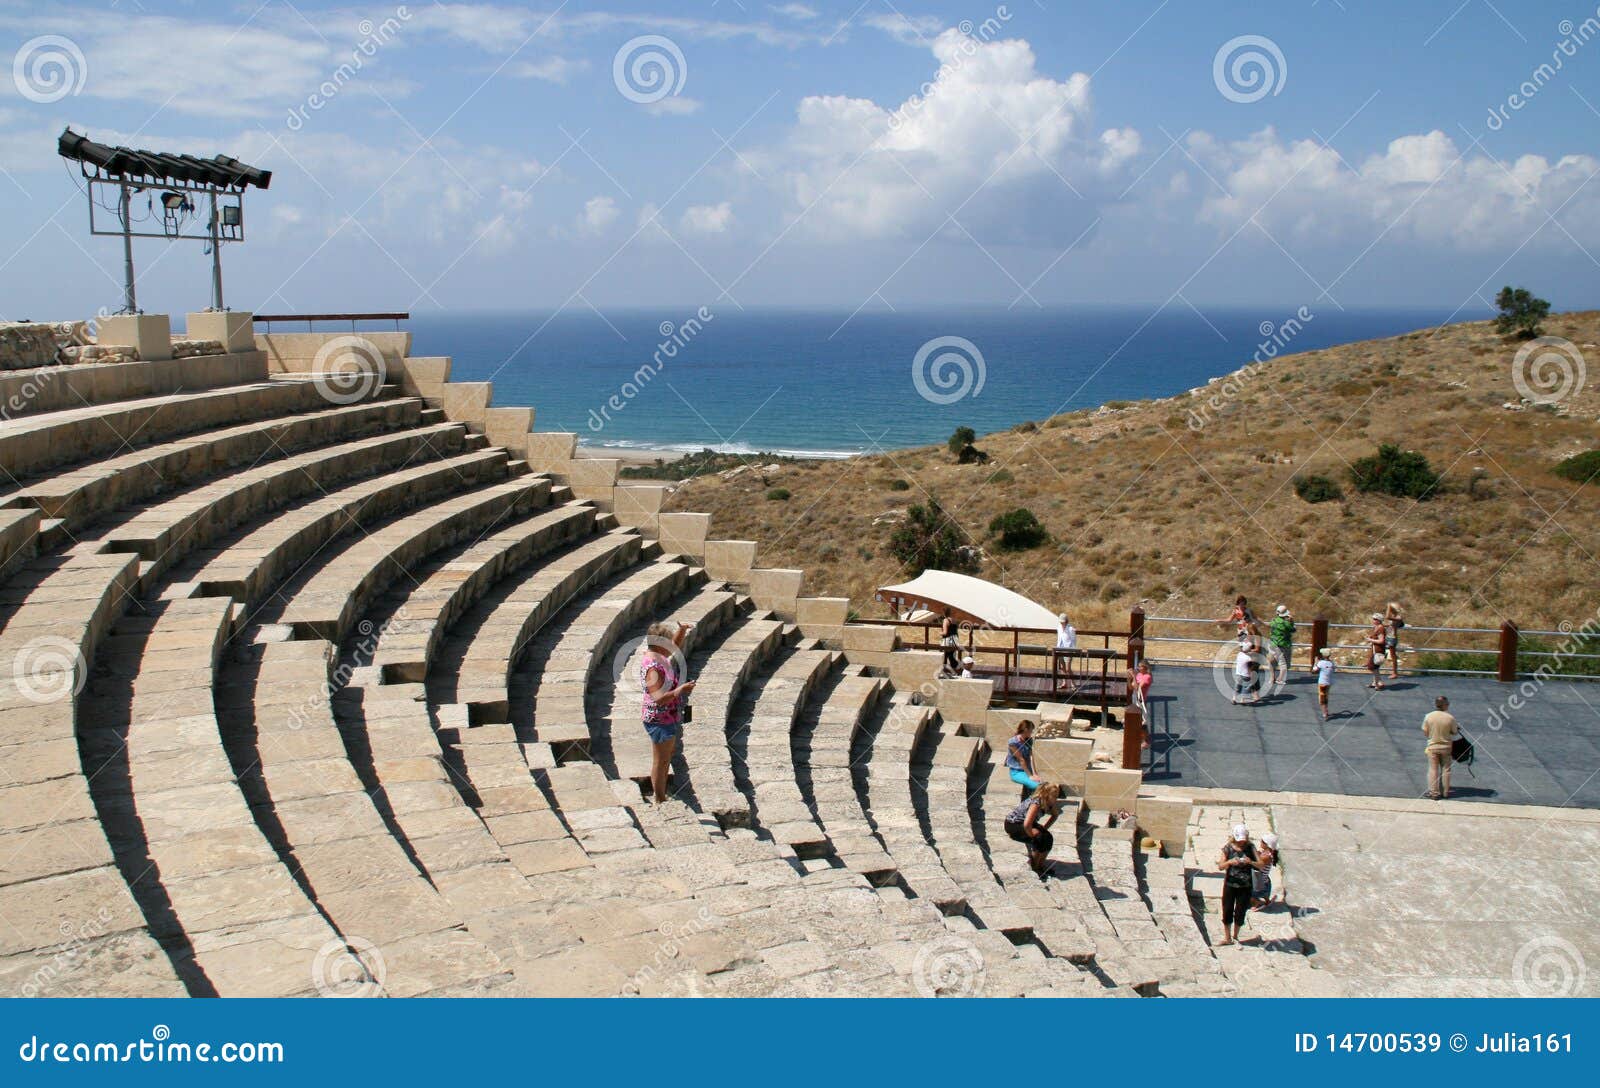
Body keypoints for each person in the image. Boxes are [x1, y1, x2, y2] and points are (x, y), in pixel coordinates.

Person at [641, 621, 696, 805]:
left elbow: (674, 646)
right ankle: (660, 798)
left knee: (666, 757)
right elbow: (658, 698)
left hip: (667, 716)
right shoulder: (653, 667)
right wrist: (680, 690)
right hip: (659, 718)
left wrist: (682, 630)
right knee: (662, 760)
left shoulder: (658, 655)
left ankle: (661, 794)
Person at [1003, 782, 1062, 877]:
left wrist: (1044, 828)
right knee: (1039, 838)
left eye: (1056, 796)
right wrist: (1032, 836)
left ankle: (1041, 865)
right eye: (1054, 796)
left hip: (1026, 823)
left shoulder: (1049, 803)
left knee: (1048, 837)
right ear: (1046, 794)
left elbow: (1055, 815)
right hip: (1013, 824)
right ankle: (1035, 867)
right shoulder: (1036, 803)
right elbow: (1027, 824)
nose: (1056, 798)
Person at [1216, 824, 1259, 945]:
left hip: (1245, 886)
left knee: (1240, 911)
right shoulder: (1228, 848)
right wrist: (1229, 862)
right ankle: (1227, 937)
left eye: (1243, 840)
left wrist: (1251, 862)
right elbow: (1220, 866)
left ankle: (1235, 936)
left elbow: (1260, 864)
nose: (1241, 843)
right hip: (1230, 885)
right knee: (1227, 910)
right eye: (1239, 840)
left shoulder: (1251, 848)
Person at [1422, 695, 1460, 800]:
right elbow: (1455, 732)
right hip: (1446, 747)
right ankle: (1445, 792)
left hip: (1433, 746)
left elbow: (1425, 731)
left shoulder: (1429, 716)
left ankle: (1434, 793)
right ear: (1445, 705)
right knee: (1446, 769)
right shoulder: (1450, 718)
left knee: (1433, 769)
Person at [1005, 719, 1041, 799]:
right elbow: (1021, 760)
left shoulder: (1029, 740)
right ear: (1026, 730)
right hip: (1016, 771)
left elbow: (1031, 757)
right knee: (1037, 786)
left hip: (1027, 769)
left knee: (1042, 784)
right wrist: (1030, 776)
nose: (1032, 732)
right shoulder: (1013, 742)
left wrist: (1034, 773)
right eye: (1031, 730)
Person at [1268, 604, 1295, 685]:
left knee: (1272, 661)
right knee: (1283, 663)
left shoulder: (1273, 621)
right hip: (1283, 645)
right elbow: (1293, 630)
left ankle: (1272, 678)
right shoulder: (1286, 623)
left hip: (1273, 644)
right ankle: (1280, 679)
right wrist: (1291, 621)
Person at [1252, 832, 1279, 910]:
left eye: (1263, 841)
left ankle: (1257, 902)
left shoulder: (1267, 857)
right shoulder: (1267, 852)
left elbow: (1258, 863)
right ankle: (1267, 900)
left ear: (1267, 845)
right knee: (1264, 891)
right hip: (1264, 878)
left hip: (1259, 881)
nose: (1260, 841)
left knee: (1248, 893)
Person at [1365, 613, 1388, 690]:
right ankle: (1375, 682)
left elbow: (1381, 641)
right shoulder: (1377, 627)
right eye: (1373, 618)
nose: (1373, 620)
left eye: (1375, 619)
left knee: (1372, 667)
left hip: (1378, 650)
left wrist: (1370, 640)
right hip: (1375, 649)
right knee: (1375, 667)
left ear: (1379, 620)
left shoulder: (1380, 628)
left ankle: (1380, 683)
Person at [1231, 640, 1257, 705]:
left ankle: (1234, 699)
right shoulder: (1249, 658)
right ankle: (1242, 700)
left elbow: (1242, 649)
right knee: (1245, 688)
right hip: (1246, 675)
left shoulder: (1239, 654)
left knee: (1237, 686)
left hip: (1238, 673)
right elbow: (1250, 668)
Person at [1385, 602, 1406, 680]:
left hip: (1392, 638)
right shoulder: (1394, 616)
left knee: (1393, 656)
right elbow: (1391, 625)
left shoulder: (1398, 617)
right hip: (1388, 636)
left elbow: (1387, 617)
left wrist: (1388, 606)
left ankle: (1395, 673)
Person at [1313, 647, 1336, 721]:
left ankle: (1325, 713)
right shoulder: (1332, 663)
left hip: (1322, 683)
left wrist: (1315, 662)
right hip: (1329, 682)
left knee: (1322, 698)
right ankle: (1326, 711)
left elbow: (1314, 671)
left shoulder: (1321, 663)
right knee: (1326, 696)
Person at [939, 608, 961, 676]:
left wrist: (940, 633)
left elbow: (945, 632)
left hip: (948, 640)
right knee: (951, 656)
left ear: (944, 613)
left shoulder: (946, 620)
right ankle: (957, 671)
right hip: (955, 639)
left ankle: (945, 671)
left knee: (945, 656)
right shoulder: (954, 620)